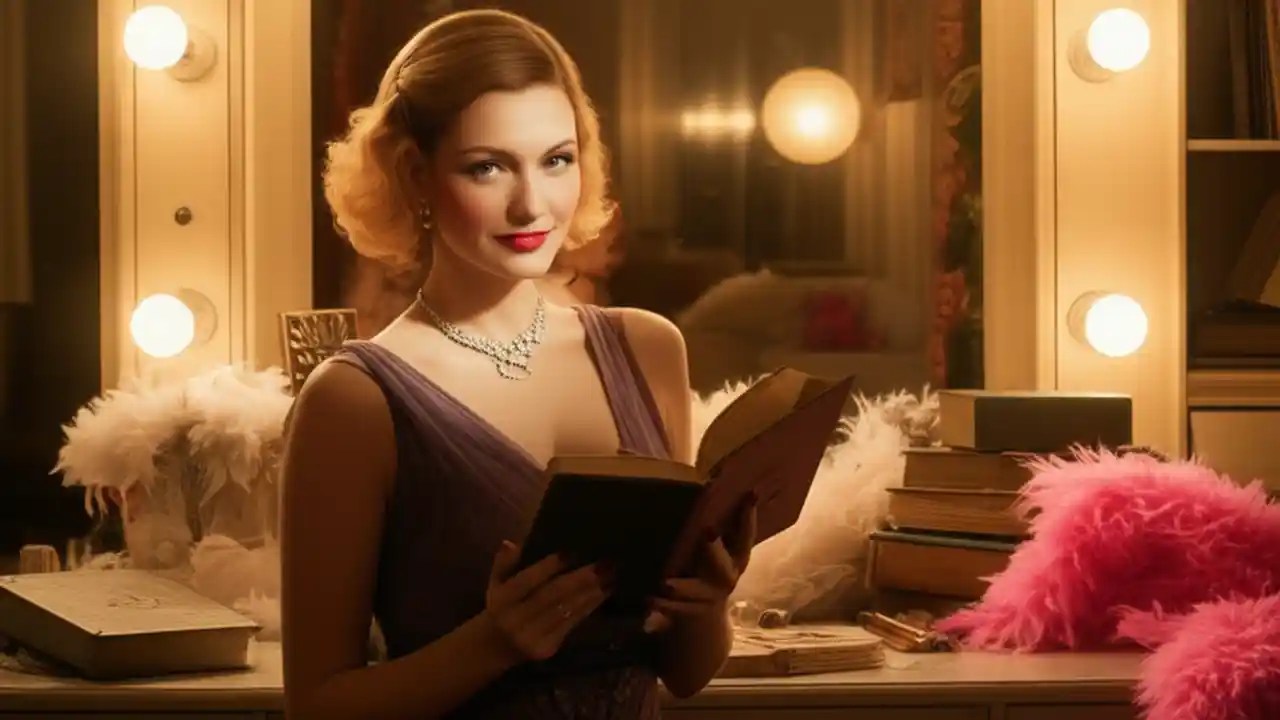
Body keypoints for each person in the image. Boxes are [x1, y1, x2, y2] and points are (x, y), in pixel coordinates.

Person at [280, 10, 757, 719]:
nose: (533, 203)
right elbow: (317, 707)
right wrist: (495, 642)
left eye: (556, 159)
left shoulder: (647, 349)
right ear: (414, 173)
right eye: (488, 166)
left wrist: (708, 606)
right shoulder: (354, 401)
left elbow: (682, 675)